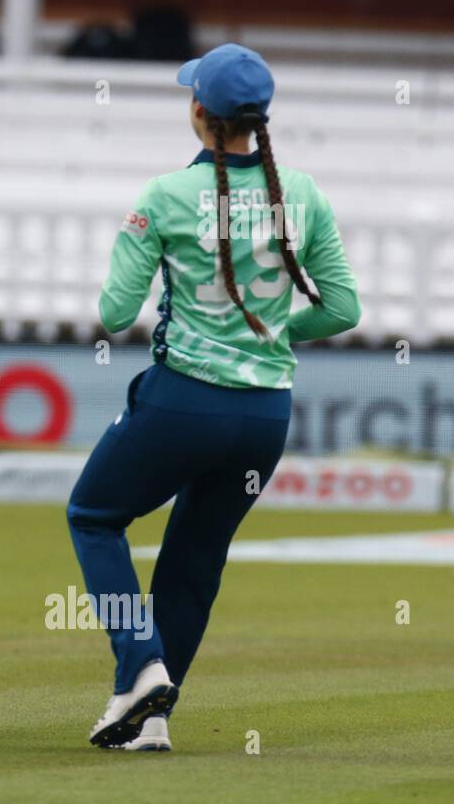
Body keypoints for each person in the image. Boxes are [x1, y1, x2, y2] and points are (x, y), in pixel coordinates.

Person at [67, 43, 361, 752]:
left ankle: (139, 664)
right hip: (266, 415)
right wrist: (271, 331)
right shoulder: (304, 192)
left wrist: (134, 240)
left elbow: (113, 312)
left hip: (183, 401)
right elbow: (343, 308)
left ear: (200, 112)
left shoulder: (166, 195)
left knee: (94, 515)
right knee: (196, 557)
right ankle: (152, 717)